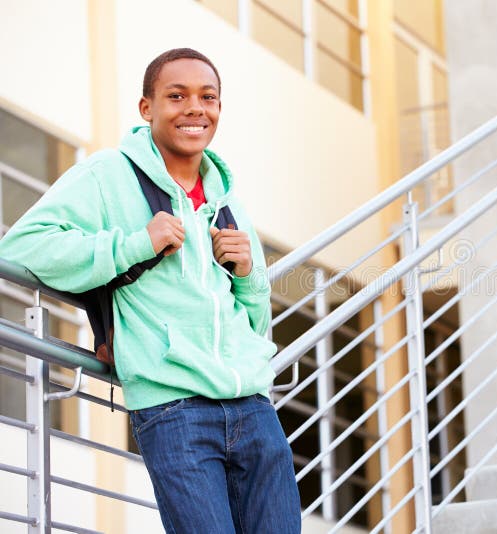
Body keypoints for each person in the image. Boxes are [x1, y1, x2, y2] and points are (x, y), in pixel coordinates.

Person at [0, 48, 301, 533]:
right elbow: (25, 244)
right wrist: (136, 244)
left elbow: (256, 323)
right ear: (147, 108)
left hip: (254, 409)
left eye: (208, 97)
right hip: (174, 410)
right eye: (176, 96)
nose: (194, 109)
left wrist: (247, 274)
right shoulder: (108, 175)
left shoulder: (228, 202)